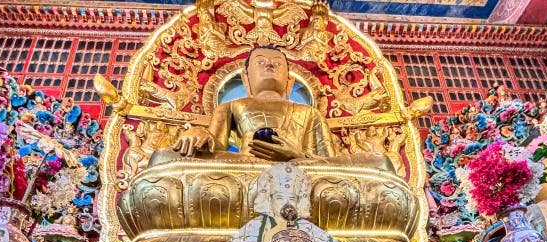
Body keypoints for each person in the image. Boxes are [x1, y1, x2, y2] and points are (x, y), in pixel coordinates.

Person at [149, 46, 393, 171]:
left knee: (380, 163)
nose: (269, 67)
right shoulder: (231, 106)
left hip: (301, 172)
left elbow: (328, 162)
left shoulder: (310, 113)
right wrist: (199, 135)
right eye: (261, 63)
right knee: (163, 158)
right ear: (245, 79)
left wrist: (295, 156)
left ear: (289, 82)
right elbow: (215, 146)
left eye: (277, 64)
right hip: (244, 168)